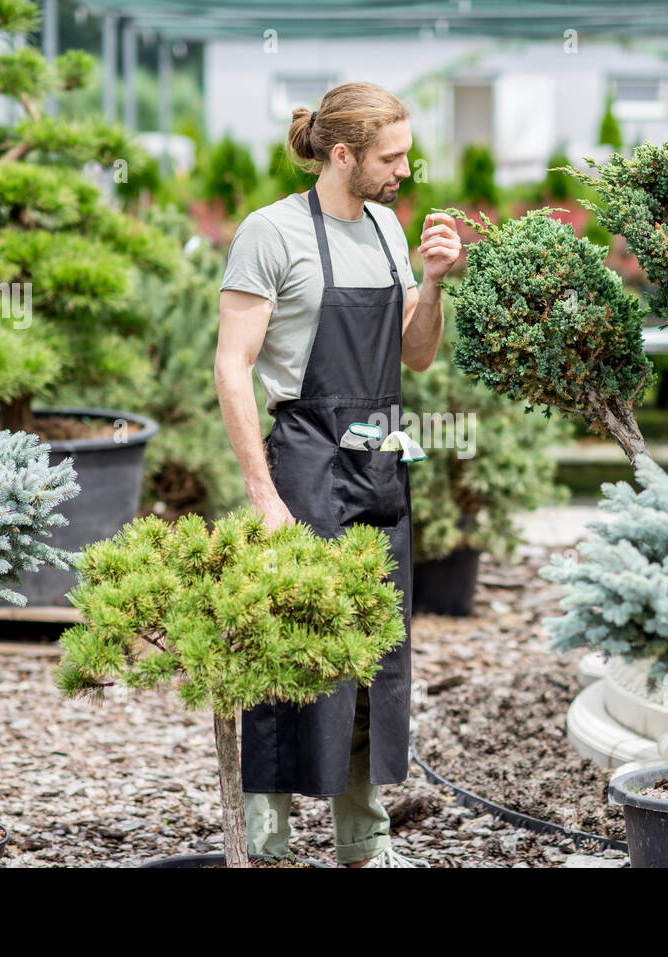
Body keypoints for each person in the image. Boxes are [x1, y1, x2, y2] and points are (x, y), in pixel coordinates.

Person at [214, 81, 461, 867]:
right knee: (290, 645)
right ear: (343, 154)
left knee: (376, 653)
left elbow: (414, 356)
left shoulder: (390, 228)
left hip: (380, 461)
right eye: (390, 157)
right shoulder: (271, 233)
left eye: (407, 153)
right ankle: (269, 839)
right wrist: (264, 493)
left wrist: (433, 282)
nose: (405, 169)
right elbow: (232, 366)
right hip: (308, 462)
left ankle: (363, 836)